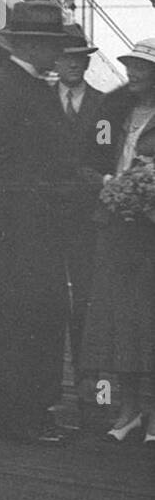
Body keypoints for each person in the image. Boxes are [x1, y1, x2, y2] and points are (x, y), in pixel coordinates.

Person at [0, 1, 90, 445]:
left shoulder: (31, 87)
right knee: (24, 320)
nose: (59, 56)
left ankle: (34, 410)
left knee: (42, 316)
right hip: (20, 225)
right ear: (33, 45)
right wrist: (56, 189)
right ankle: (21, 417)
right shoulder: (6, 89)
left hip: (38, 225)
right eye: (54, 46)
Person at [80, 38, 155, 444]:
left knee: (151, 321)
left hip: (151, 231)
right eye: (130, 65)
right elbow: (90, 160)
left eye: (142, 67)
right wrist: (108, 183)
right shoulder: (112, 112)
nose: (133, 73)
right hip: (115, 227)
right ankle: (128, 409)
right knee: (120, 321)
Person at [55, 23, 106, 410]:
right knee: (50, 297)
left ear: (87, 63)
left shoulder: (103, 107)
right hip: (48, 215)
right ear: (56, 61)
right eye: (66, 59)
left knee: (87, 297)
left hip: (88, 216)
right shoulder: (39, 100)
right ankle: (50, 378)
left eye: (80, 59)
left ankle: (87, 378)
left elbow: (105, 152)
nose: (73, 65)